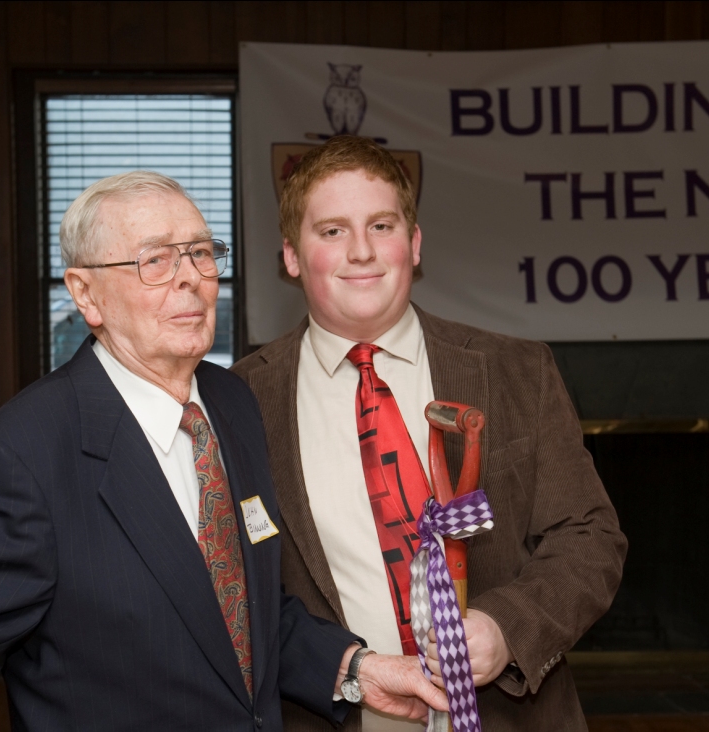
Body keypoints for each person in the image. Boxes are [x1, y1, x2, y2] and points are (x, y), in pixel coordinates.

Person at [0, 171, 446, 731]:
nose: (191, 280)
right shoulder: (22, 455)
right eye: (154, 260)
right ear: (85, 293)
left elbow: (242, 615)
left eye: (201, 253)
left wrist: (355, 669)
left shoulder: (232, 402)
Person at [231, 136, 628, 731]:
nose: (361, 251)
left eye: (382, 225)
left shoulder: (519, 371)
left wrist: (504, 628)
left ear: (414, 245)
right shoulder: (238, 402)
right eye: (332, 231)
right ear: (291, 256)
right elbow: (235, 596)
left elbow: (591, 538)